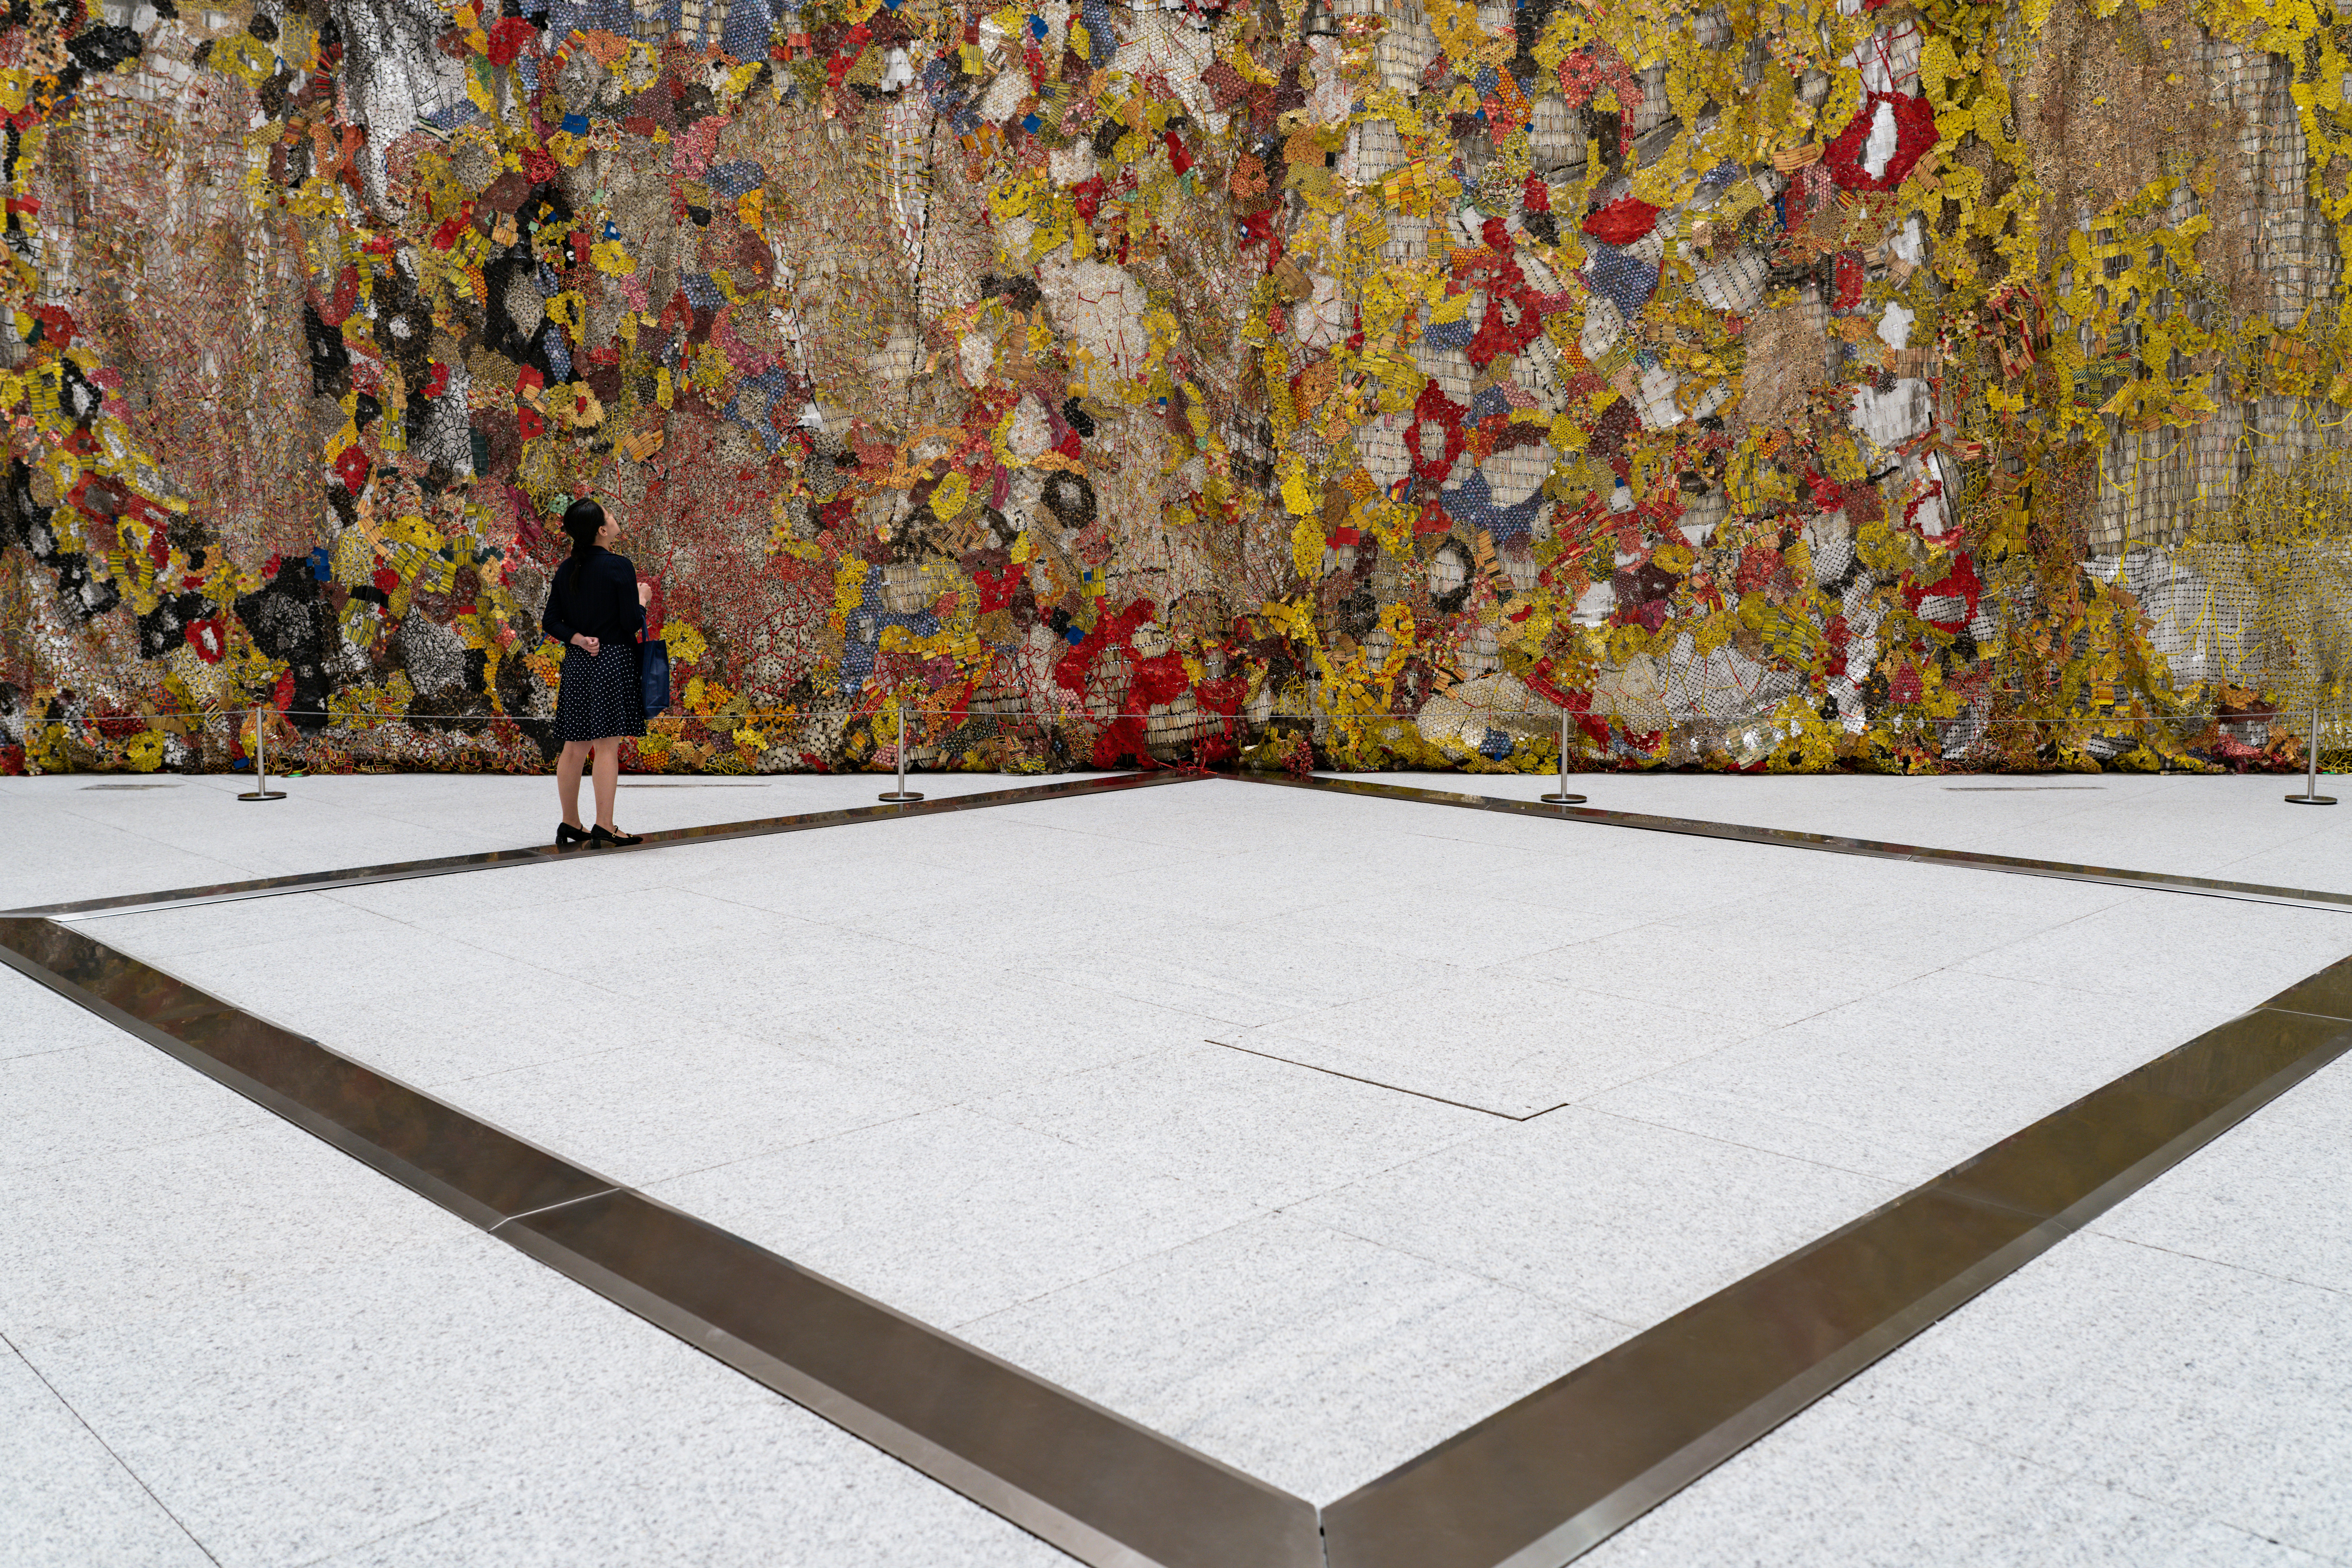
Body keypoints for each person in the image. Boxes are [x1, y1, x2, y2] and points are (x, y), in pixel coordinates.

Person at [541, 497, 653, 847]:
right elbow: (629, 622)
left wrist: (578, 639)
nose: (615, 517)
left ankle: (571, 823)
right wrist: (642, 601)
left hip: (578, 663)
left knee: (574, 747)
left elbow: (551, 622)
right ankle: (605, 824)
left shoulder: (567, 568)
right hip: (612, 661)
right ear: (603, 530)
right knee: (607, 747)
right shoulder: (620, 567)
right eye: (609, 515)